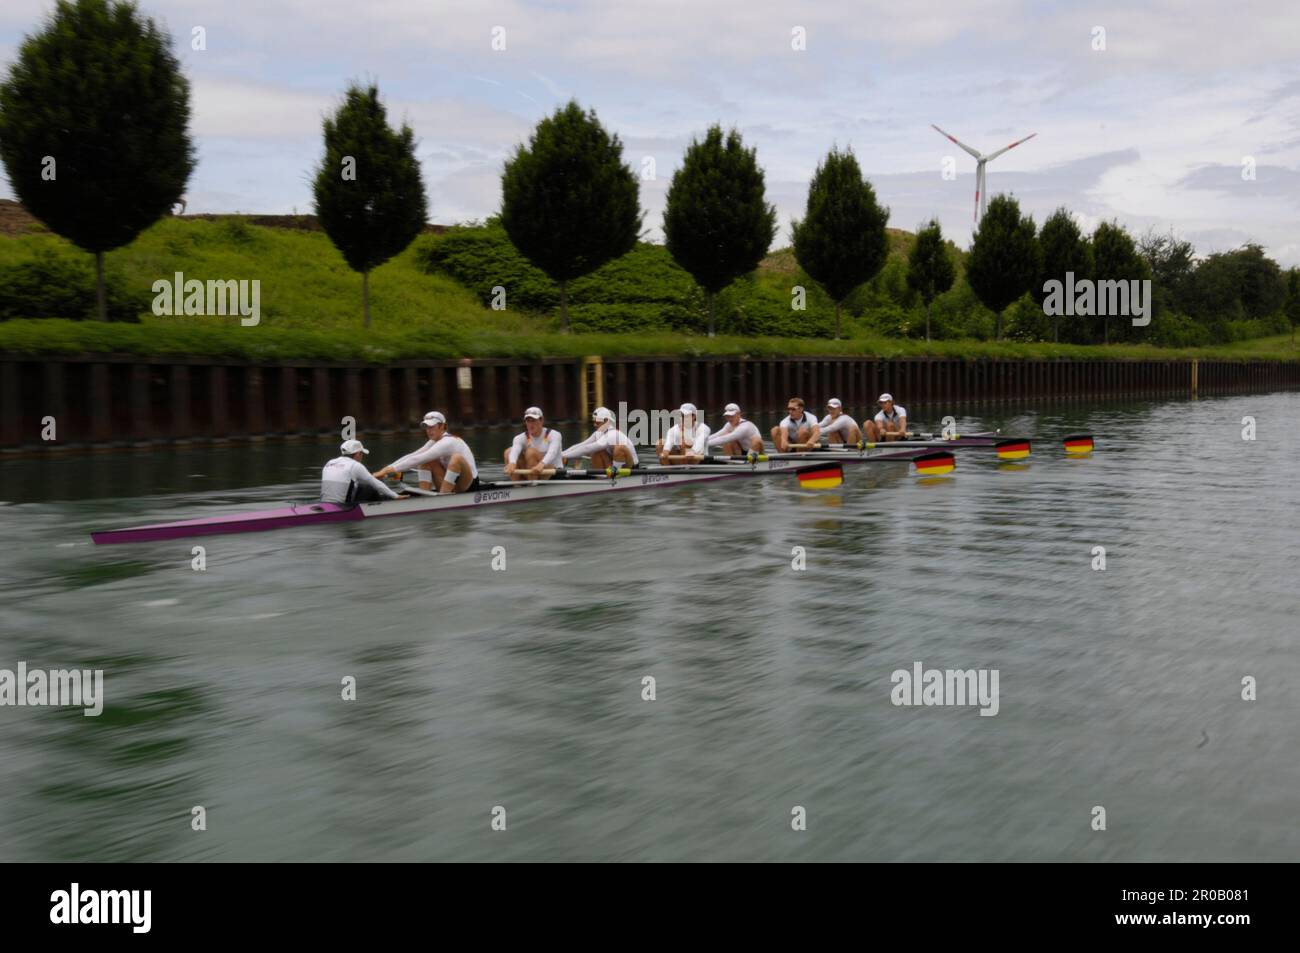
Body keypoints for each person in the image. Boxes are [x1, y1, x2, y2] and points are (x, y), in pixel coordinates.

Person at [372, 411, 479, 493]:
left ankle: (444, 498)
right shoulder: (433, 442)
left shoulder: (449, 442)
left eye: (432, 427)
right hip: (452, 483)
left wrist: (385, 473)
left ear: (442, 426)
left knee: (456, 458)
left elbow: (416, 459)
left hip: (469, 484)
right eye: (426, 427)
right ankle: (424, 496)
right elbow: (413, 456)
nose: (428, 430)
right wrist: (383, 470)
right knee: (425, 461)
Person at [321, 439, 406, 504]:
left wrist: (377, 477)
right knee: (371, 487)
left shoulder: (329, 462)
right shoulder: (355, 465)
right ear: (358, 454)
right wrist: (396, 496)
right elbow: (375, 483)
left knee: (363, 485)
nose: (362, 457)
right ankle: (382, 506)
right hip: (343, 505)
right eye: (362, 454)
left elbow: (349, 479)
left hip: (325, 502)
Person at [562, 406, 639, 468]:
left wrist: (564, 456)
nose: (594, 425)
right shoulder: (598, 434)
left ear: (606, 421)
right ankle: (601, 478)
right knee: (596, 451)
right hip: (615, 463)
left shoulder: (612, 434)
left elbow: (586, 449)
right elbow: (581, 445)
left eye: (597, 422)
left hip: (631, 466)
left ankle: (616, 476)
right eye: (594, 422)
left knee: (619, 448)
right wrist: (561, 454)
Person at [503, 406, 562, 480]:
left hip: (553, 474)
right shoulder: (519, 438)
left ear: (541, 420)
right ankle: (517, 486)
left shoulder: (554, 435)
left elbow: (552, 452)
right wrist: (512, 463)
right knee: (508, 452)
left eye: (533, 420)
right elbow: (515, 450)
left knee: (531, 452)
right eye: (528, 421)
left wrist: (542, 464)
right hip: (533, 472)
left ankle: (533, 486)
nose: (530, 424)